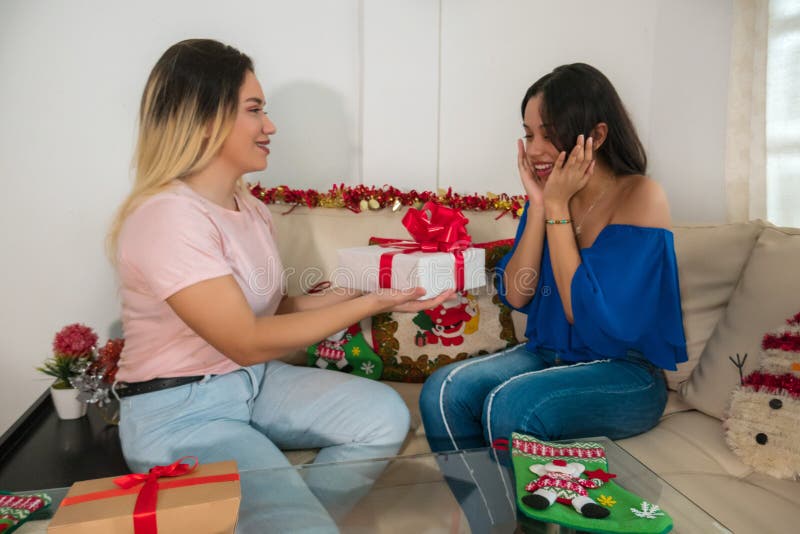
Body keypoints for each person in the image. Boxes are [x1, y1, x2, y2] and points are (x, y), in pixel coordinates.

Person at [107, 39, 453, 533]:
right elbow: (244, 339)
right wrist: (370, 303)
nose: (270, 126)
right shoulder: (168, 217)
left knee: (381, 416)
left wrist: (374, 292)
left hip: (253, 382)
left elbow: (277, 307)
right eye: (255, 110)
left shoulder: (249, 209)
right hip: (180, 412)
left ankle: (296, 520)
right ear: (206, 119)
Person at [419, 63, 688, 527]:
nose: (536, 150)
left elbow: (586, 315)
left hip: (625, 373)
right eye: (527, 135)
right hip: (548, 354)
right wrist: (542, 206)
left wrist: (558, 208)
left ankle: (529, 526)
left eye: (549, 134)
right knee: (444, 392)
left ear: (597, 134)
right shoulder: (546, 197)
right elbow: (518, 295)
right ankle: (494, 523)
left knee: (512, 404)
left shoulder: (642, 197)